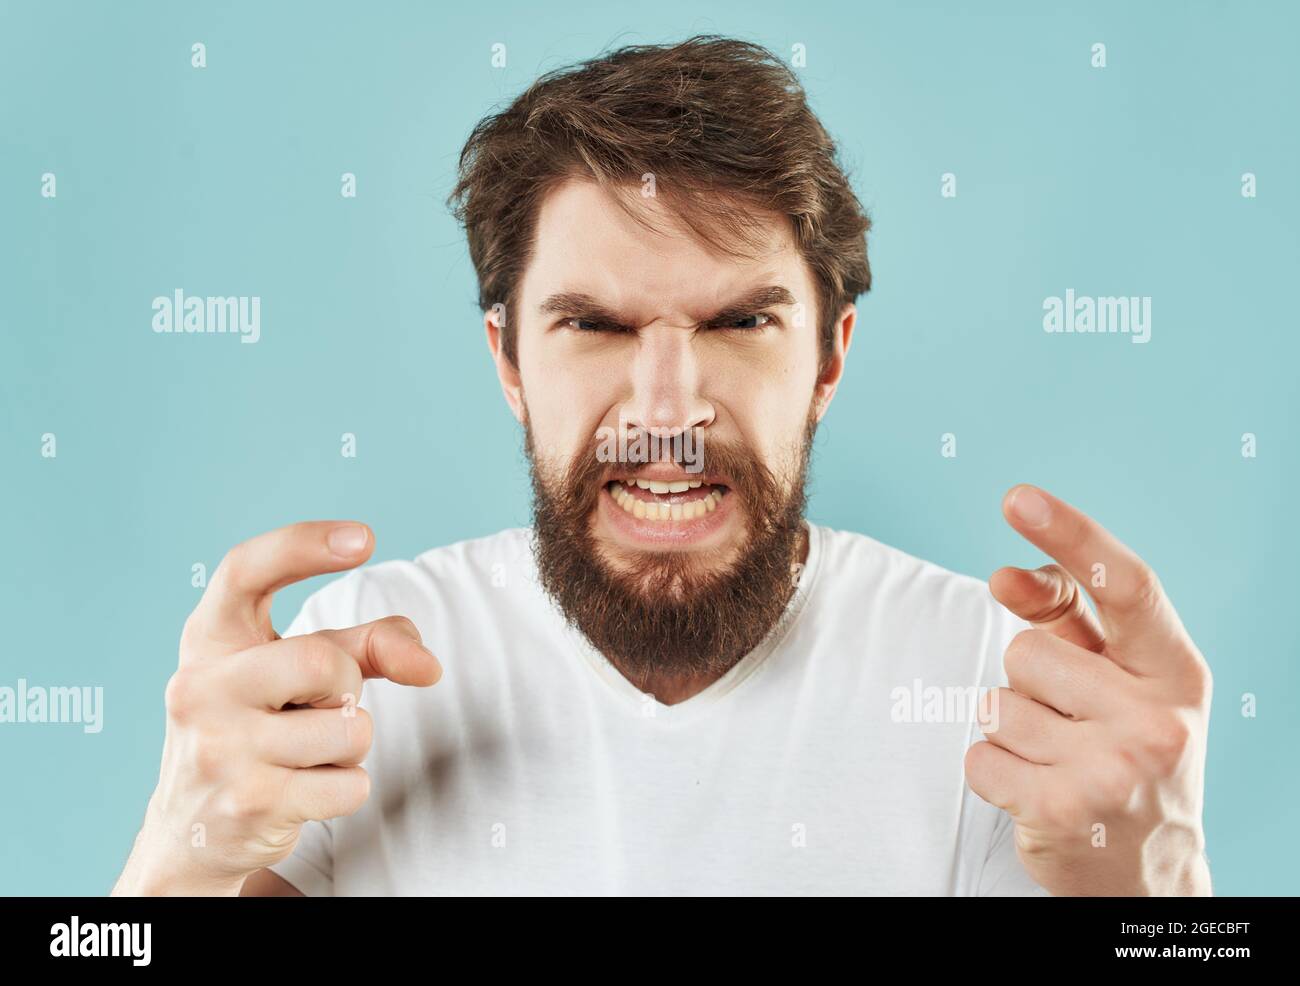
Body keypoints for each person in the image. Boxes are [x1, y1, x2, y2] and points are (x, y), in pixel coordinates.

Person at [113, 36, 1213, 896]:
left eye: (738, 321)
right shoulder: (356, 674)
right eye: (594, 325)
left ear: (829, 357)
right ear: (506, 357)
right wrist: (175, 859)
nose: (668, 413)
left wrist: (1165, 901)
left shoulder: (994, 689)